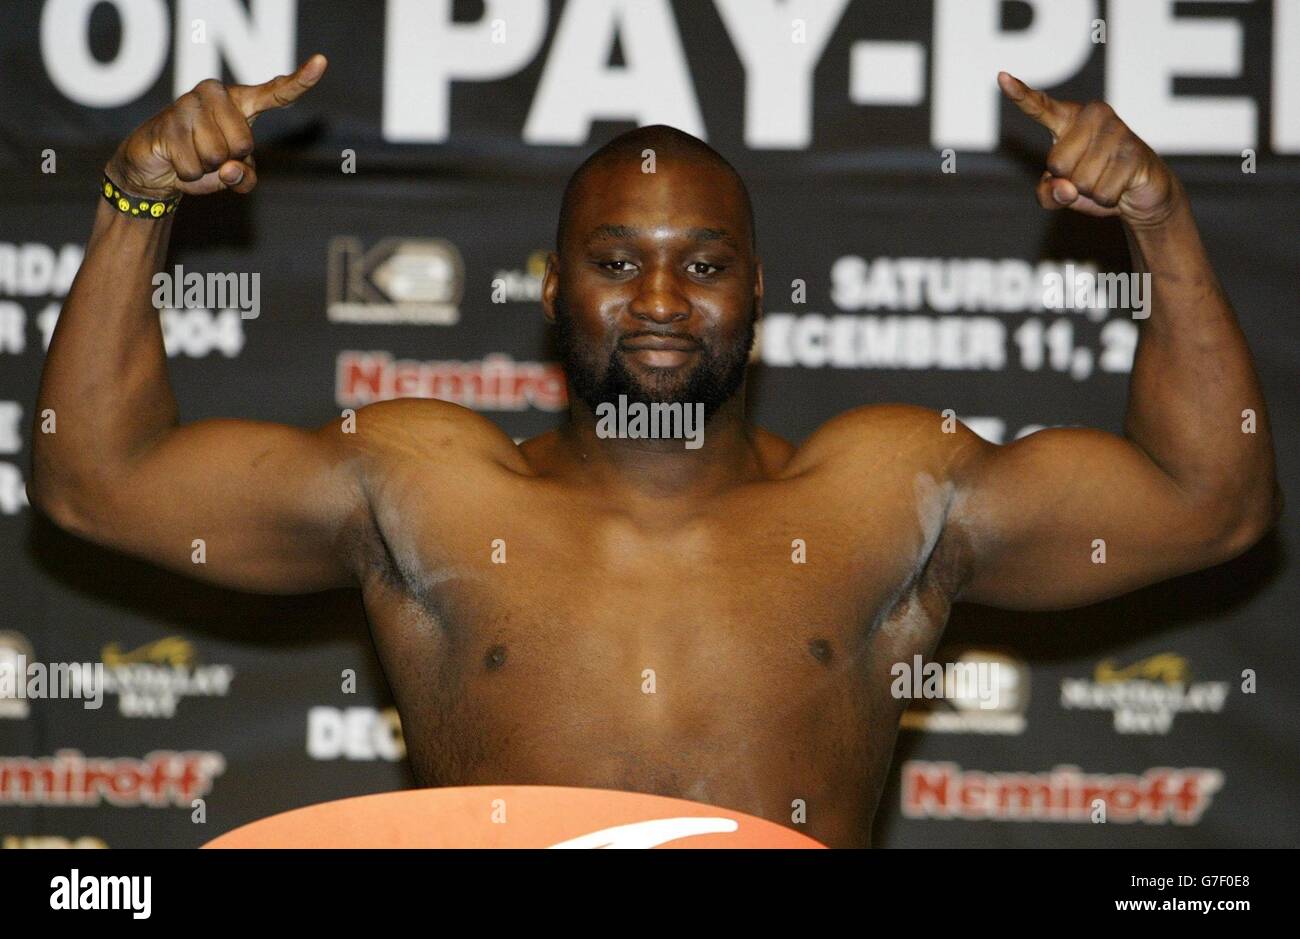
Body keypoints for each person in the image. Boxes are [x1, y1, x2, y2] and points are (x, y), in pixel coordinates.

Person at [30, 55, 1280, 848]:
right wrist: (136, 197)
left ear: (758, 292)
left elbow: (1208, 503)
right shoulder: (427, 484)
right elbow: (97, 484)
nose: (664, 302)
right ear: (552, 291)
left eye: (706, 264)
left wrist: (1157, 222)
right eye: (619, 263)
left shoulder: (886, 491)